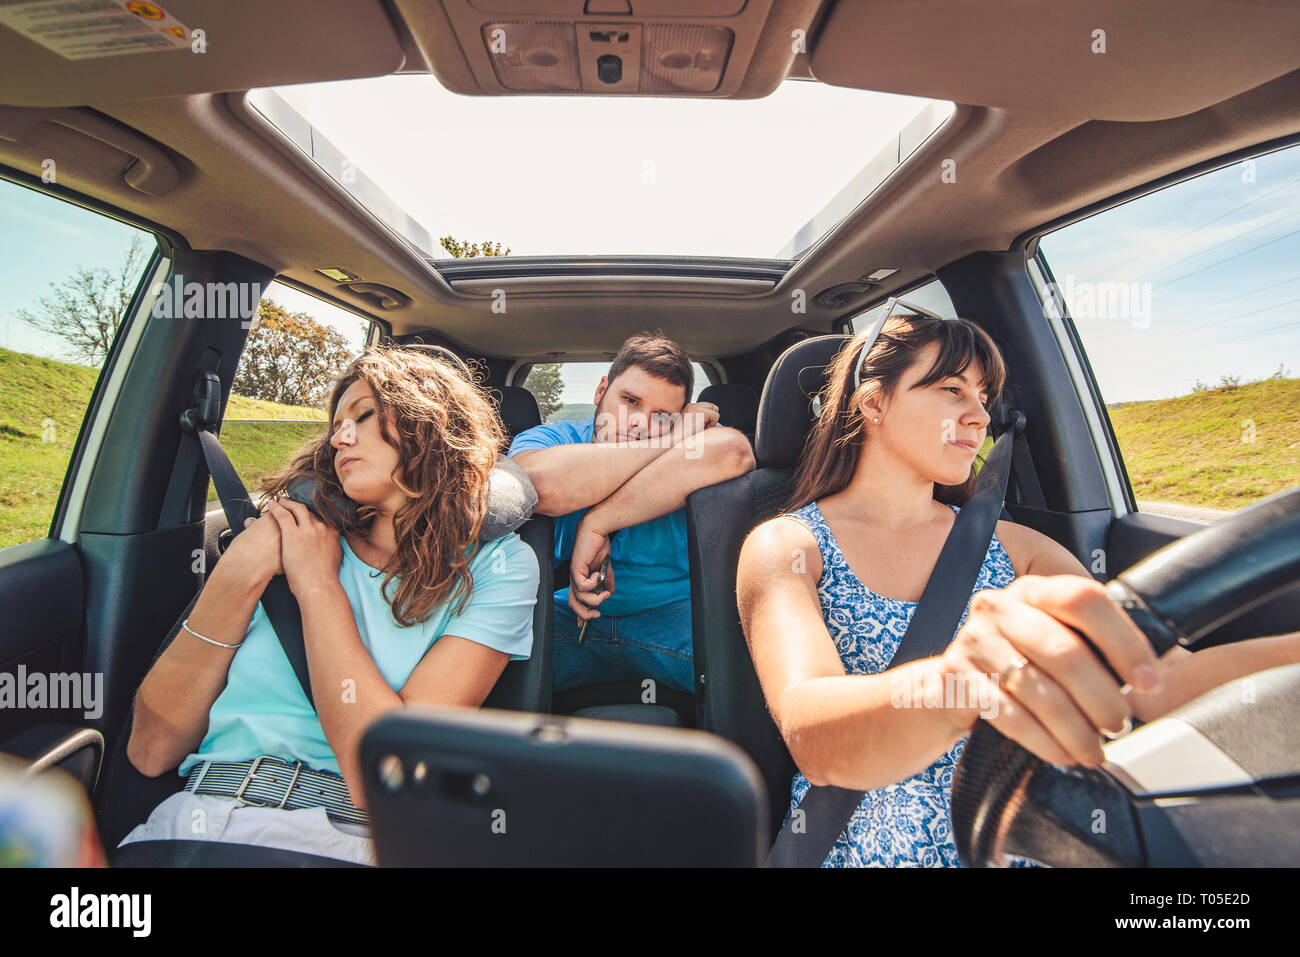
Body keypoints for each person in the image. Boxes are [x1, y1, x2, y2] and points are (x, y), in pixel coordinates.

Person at [737, 313, 1300, 867]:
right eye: (951, 389)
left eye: (984, 396)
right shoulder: (787, 546)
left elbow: (1158, 679)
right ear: (874, 402)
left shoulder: (1018, 548)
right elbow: (814, 737)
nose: (979, 414)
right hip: (872, 842)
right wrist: (959, 684)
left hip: (1026, 836)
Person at [121, 347, 539, 865]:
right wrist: (240, 572)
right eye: (337, 424)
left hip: (350, 839)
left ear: (429, 424)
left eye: (363, 417)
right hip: (195, 818)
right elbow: (150, 750)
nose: (340, 438)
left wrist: (317, 586)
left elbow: (383, 774)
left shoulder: (500, 566)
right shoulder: (288, 534)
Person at [509, 331, 755, 696]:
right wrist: (669, 439)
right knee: (488, 660)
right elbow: (535, 484)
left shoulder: (697, 439)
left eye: (661, 415)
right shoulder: (555, 438)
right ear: (600, 390)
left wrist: (597, 523)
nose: (638, 423)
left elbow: (734, 453)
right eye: (629, 400)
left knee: (749, 680)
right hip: (570, 616)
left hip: (678, 616)